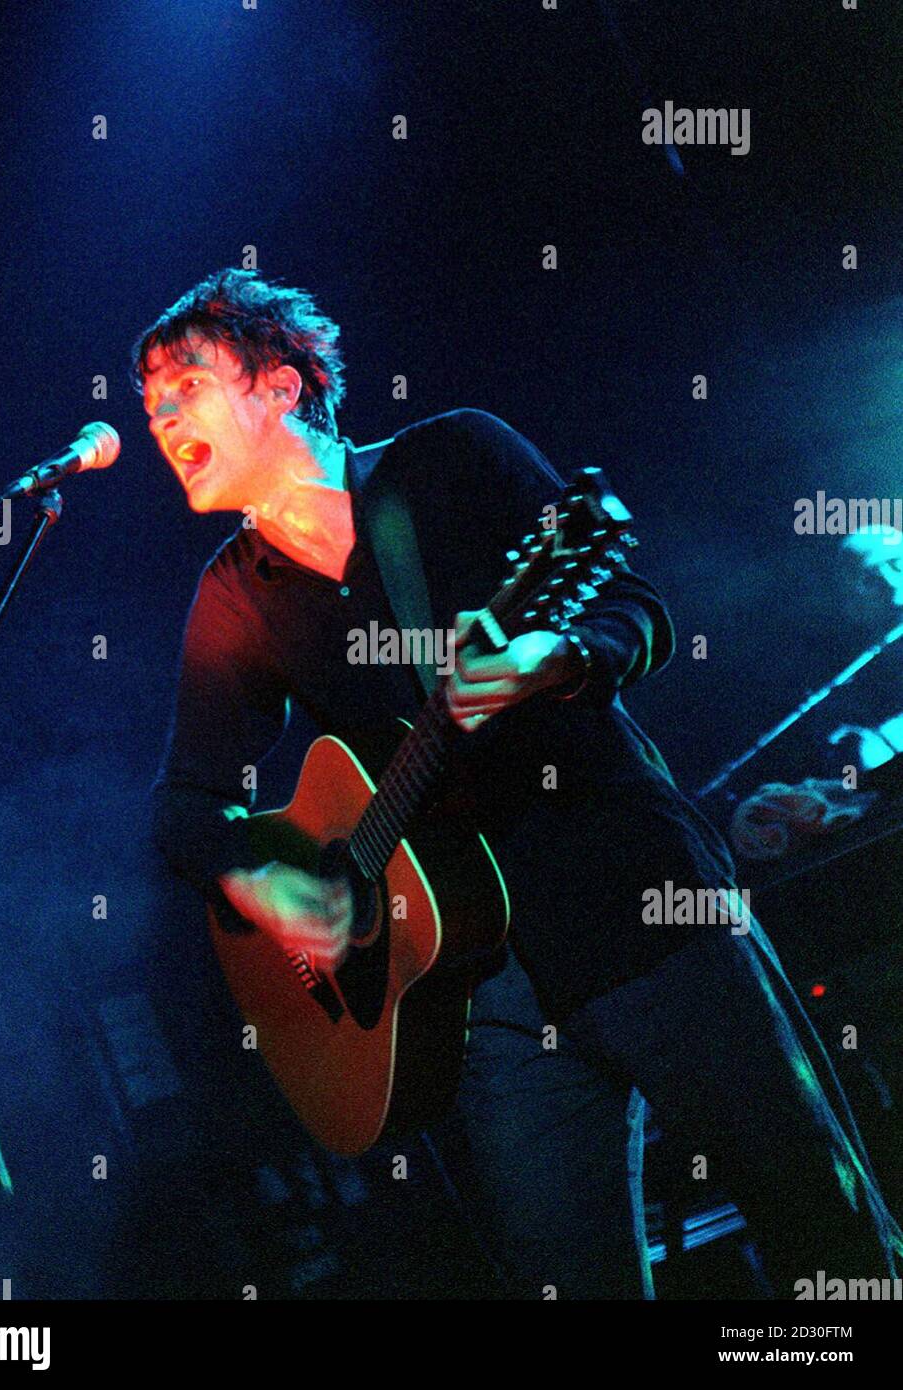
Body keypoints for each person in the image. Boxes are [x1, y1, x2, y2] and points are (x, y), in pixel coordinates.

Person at [135, 266, 901, 1298]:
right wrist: (269, 880)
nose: (159, 413)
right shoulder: (232, 597)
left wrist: (559, 657)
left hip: (634, 898)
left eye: (183, 381)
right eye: (149, 402)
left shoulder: (450, 453)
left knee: (818, 1229)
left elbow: (630, 606)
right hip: (471, 1001)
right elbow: (183, 810)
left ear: (278, 385)